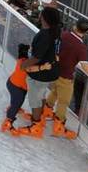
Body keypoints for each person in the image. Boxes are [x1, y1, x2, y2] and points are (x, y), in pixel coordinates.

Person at [46, 20, 88, 139]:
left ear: (75, 26)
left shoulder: (64, 34)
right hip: (66, 76)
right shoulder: (81, 47)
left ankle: (46, 111)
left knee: (55, 91)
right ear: (87, 32)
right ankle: (58, 126)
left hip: (54, 71)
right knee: (64, 101)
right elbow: (85, 66)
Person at [14, 8, 62, 137]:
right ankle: (38, 117)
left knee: (35, 99)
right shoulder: (55, 31)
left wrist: (23, 65)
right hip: (48, 71)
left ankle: (36, 125)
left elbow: (37, 57)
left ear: (44, 18)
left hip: (40, 74)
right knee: (39, 95)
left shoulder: (45, 35)